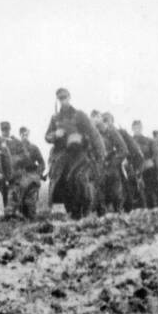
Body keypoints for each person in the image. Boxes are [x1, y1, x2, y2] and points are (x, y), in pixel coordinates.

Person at [44, 89, 104, 219]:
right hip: (62, 154)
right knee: (57, 181)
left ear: (69, 97)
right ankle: (61, 210)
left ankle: (85, 208)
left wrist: (100, 154)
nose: (63, 101)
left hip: (79, 154)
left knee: (79, 179)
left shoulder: (79, 115)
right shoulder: (55, 118)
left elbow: (94, 134)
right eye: (60, 99)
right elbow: (47, 137)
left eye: (65, 97)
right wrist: (55, 134)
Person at [13, 126, 46, 220]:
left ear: (28, 135)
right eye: (22, 134)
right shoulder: (16, 148)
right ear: (20, 135)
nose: (24, 136)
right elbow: (11, 163)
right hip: (20, 175)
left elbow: (42, 163)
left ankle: (32, 217)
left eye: (26, 134)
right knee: (18, 201)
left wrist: (38, 174)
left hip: (32, 175)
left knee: (30, 200)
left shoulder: (34, 148)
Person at [130, 121, 158, 209]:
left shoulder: (149, 141)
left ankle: (152, 208)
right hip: (134, 169)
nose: (137, 130)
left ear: (141, 128)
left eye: (139, 128)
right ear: (132, 129)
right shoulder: (129, 140)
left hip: (147, 169)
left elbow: (157, 154)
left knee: (150, 192)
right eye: (135, 128)